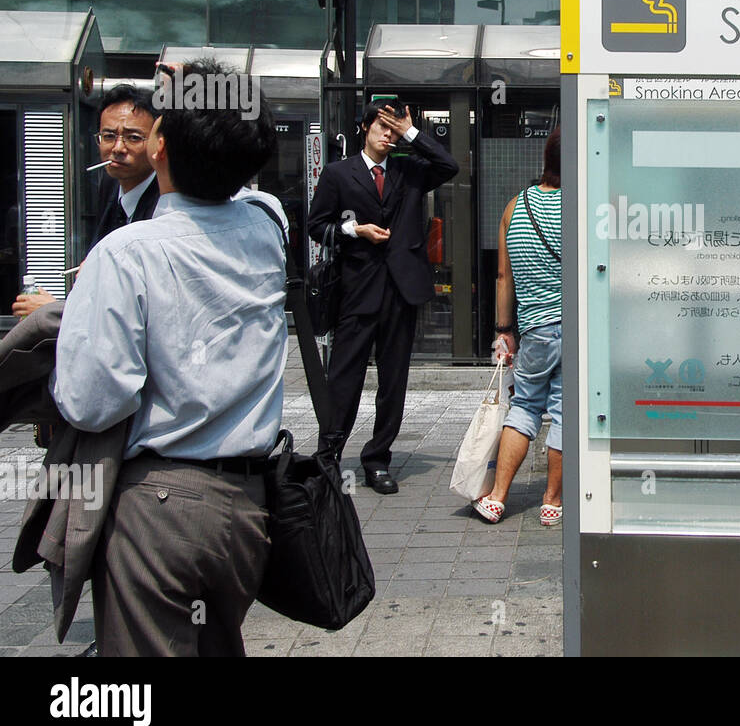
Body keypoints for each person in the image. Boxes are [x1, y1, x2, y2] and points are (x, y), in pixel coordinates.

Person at [48, 60, 286, 656]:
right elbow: (248, 180)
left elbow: (91, 400)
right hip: (248, 508)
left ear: (158, 146)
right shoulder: (267, 231)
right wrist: (217, 97)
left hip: (159, 507)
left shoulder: (126, 254)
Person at [307, 101, 459, 494]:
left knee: (393, 382)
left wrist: (412, 133)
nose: (388, 135)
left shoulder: (409, 170)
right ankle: (329, 455)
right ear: (364, 128)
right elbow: (316, 225)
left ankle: (377, 460)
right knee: (344, 378)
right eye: (382, 127)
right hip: (356, 290)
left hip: (400, 290)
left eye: (394, 129)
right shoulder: (339, 174)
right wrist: (355, 231)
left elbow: (448, 166)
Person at [11, 82, 160, 316]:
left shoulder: (166, 202)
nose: (118, 148)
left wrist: (56, 310)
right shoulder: (110, 183)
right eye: (108, 136)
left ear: (156, 143)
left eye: (133, 137)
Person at [475, 129, 562, 526]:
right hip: (576, 332)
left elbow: (503, 277)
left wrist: (504, 329)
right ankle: (551, 502)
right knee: (564, 414)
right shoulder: (583, 204)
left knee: (524, 406)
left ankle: (497, 497)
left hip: (534, 333)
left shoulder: (515, 206)